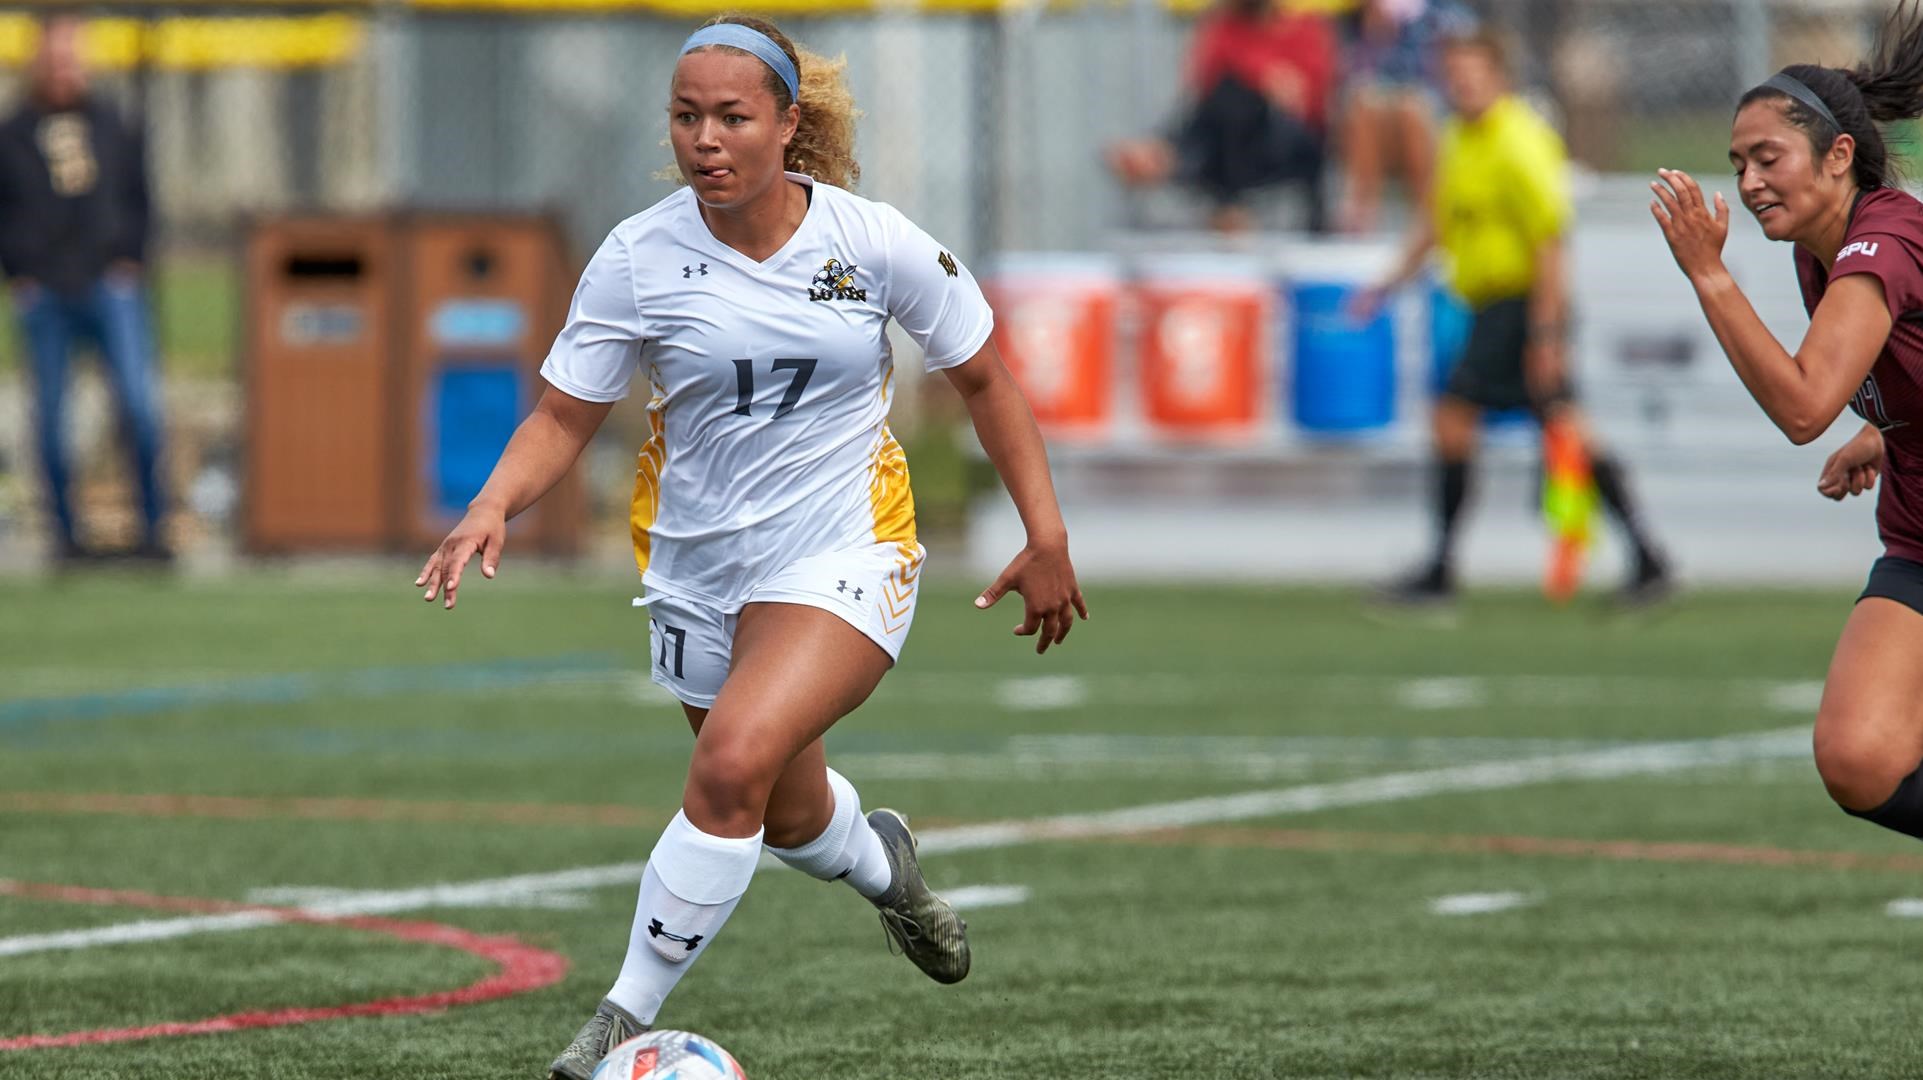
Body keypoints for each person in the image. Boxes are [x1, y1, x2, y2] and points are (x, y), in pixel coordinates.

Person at [412, 15, 1087, 1079]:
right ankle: (884, 867)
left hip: (847, 552)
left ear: (789, 123)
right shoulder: (638, 256)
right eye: (686, 117)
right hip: (693, 568)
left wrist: (1046, 536)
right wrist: (490, 505)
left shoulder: (872, 242)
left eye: (731, 116)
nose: (705, 139)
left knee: (728, 764)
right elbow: (558, 416)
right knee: (784, 808)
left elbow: (989, 382)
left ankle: (617, 1024)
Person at [1651, 1, 1923, 851]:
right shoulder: (1821, 253)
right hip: (1916, 531)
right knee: (1857, 758)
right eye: (1737, 163)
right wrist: (1885, 432)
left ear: (1838, 156)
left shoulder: (1887, 241)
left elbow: (1805, 407)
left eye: (1766, 157)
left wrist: (1709, 275)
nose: (1748, 182)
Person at [1354, 27, 1670, 607]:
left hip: (1524, 305)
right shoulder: (1458, 137)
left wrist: (1547, 333)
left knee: (1457, 418)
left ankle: (1441, 569)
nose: (1463, 84)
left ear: (1498, 77)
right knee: (1563, 427)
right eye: (1453, 74)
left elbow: (1551, 243)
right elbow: (1438, 222)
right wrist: (1386, 285)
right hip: (1493, 308)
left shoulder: (1519, 140)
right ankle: (1648, 559)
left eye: (1473, 73)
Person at [0, 16, 166, 564]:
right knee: (51, 418)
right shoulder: (15, 132)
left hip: (109, 285)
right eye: (56, 57)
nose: (66, 68)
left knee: (140, 408)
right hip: (45, 291)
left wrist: (129, 260)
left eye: (74, 57)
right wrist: (21, 272)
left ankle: (152, 528)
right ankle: (66, 536)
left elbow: (140, 197)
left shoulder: (112, 123)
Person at [1107, 0, 1337, 233]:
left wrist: (1255, 79)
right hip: (1224, 139)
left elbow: (1305, 101)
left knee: (1233, 100)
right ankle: (1170, 156)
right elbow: (1203, 92)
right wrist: (1264, 77)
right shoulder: (1222, 27)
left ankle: (1171, 158)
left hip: (1281, 140)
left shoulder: (1305, 28)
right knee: (1227, 102)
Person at [1333, 0, 1472, 234]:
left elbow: (1456, 77)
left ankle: (1427, 219)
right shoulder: (1360, 17)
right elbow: (1350, 75)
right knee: (1363, 105)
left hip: (1432, 115)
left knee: (1410, 110)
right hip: (1381, 118)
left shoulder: (1447, 16)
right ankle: (1360, 216)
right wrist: (1377, 36)